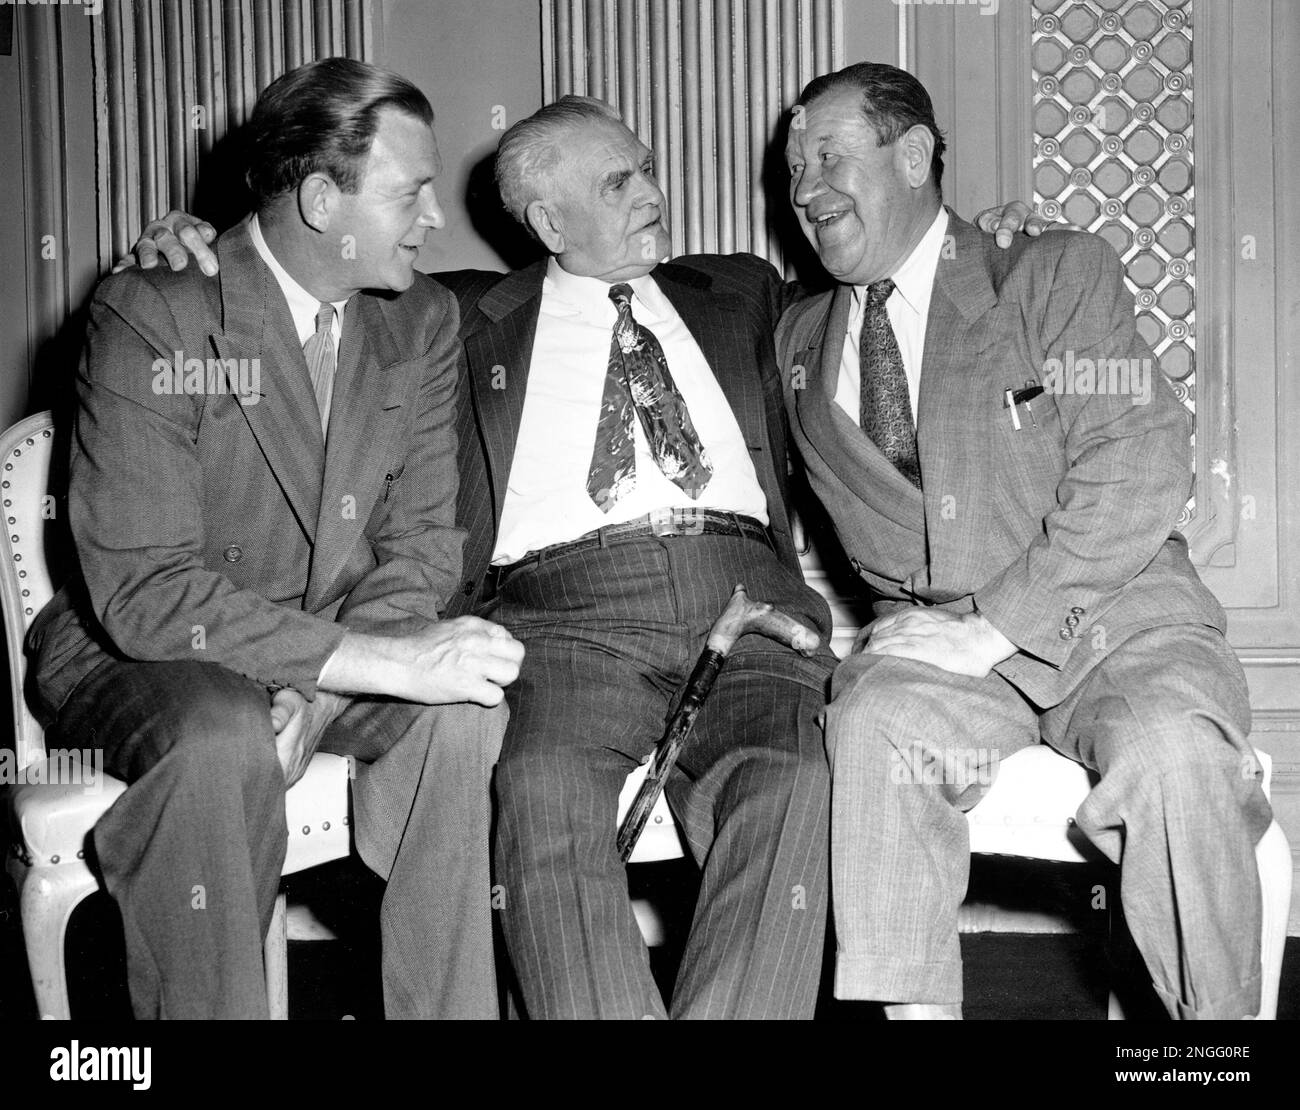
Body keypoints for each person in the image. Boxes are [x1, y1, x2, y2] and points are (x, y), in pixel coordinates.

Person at [128, 93, 1043, 1020]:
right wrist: (196, 246)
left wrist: (979, 239)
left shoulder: (745, 292)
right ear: (548, 219)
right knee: (540, 791)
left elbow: (894, 295)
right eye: (621, 179)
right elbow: (303, 271)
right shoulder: (457, 313)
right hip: (559, 619)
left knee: (793, 781)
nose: (654, 189)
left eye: (646, 166)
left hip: (751, 604)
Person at [26, 57, 524, 1020]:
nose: (434, 220)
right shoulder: (158, 310)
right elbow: (145, 591)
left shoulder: (421, 321)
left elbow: (420, 546)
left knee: (462, 709)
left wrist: (328, 686)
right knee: (218, 736)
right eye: (411, 193)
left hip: (328, 643)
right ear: (321, 199)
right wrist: (362, 661)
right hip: (149, 649)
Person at [778, 61, 1272, 1020]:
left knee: (1174, 757)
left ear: (914, 154)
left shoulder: (1049, 269)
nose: (805, 190)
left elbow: (1138, 464)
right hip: (941, 652)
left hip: (1116, 618)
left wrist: (994, 627)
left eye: (830, 157)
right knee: (873, 718)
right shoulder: (795, 338)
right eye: (795, 168)